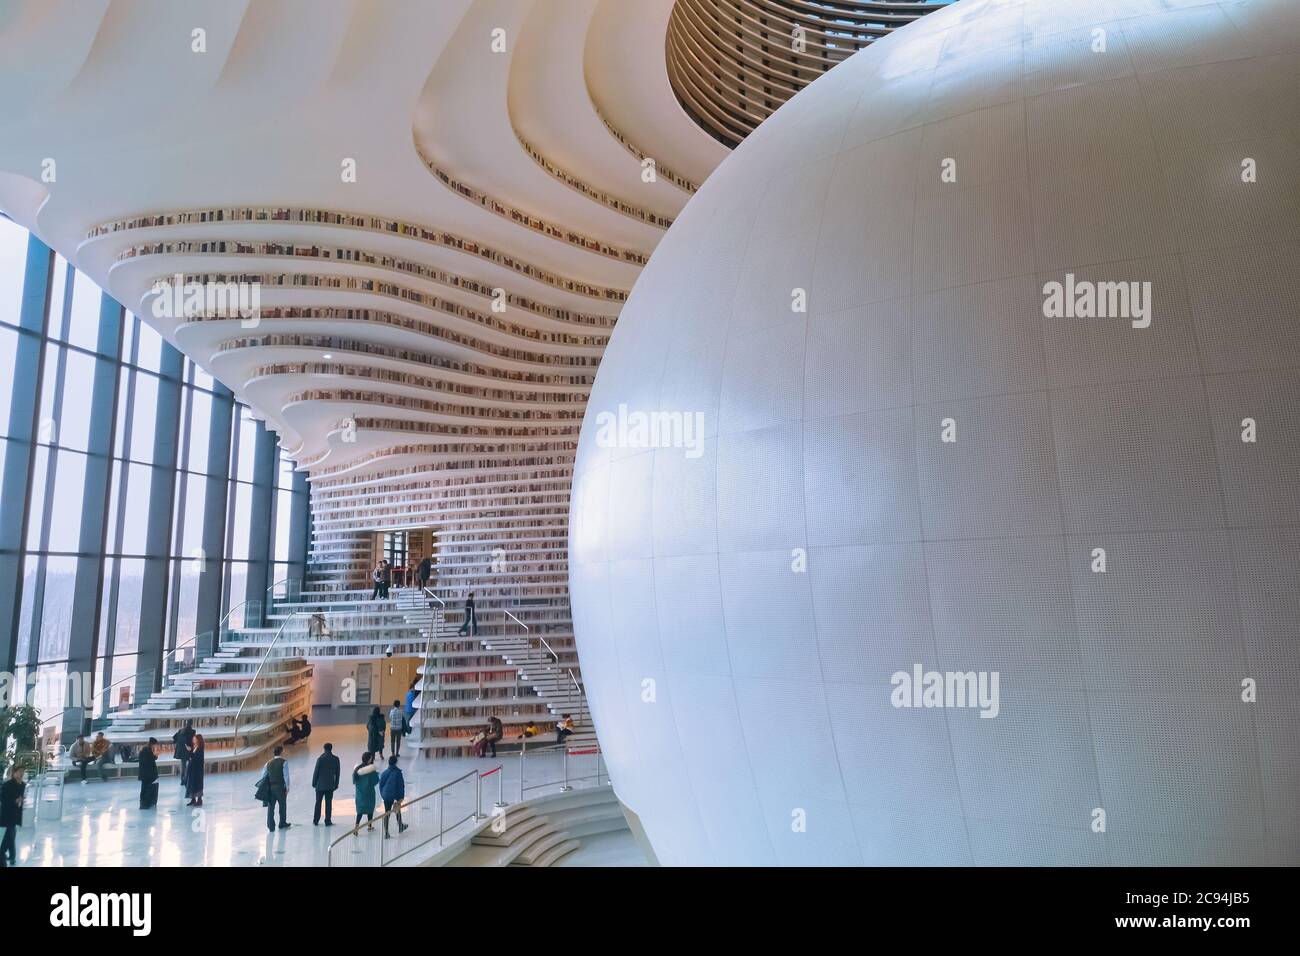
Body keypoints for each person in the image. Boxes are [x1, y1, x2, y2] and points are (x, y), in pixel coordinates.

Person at [259, 745, 291, 832]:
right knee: (282, 806)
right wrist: (287, 788)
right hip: (280, 787)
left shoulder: (268, 763)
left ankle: (271, 826)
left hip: (271, 788)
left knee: (271, 807)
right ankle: (282, 823)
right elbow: (286, 776)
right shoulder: (284, 762)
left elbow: (263, 776)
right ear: (281, 752)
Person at [378, 755, 409, 838]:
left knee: (387, 812)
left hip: (386, 795)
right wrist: (400, 798)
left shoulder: (384, 773)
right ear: (396, 763)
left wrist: (383, 794)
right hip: (395, 795)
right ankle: (400, 826)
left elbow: (381, 784)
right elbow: (401, 786)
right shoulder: (398, 773)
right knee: (397, 810)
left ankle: (386, 832)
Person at [0, 764, 25, 867]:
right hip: (6, 815)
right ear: (14, 773)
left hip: (15, 814)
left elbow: (20, 798)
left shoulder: (22, 784)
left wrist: (20, 801)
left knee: (11, 836)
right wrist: (15, 801)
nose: (21, 774)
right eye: (19, 772)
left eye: (23, 772)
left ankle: (11, 857)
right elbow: (3, 799)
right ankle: (7, 858)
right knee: (9, 837)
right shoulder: (7, 785)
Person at [312, 742, 341, 826]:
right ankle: (328, 821)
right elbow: (337, 773)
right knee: (328, 803)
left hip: (320, 785)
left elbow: (316, 772)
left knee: (318, 803)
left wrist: (314, 783)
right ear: (331, 749)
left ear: (324, 749)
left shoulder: (320, 759)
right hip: (330, 785)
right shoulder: (336, 759)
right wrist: (336, 784)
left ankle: (316, 820)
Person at [352, 751, 380, 832]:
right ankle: (369, 826)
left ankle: (356, 827)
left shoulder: (357, 770)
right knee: (370, 810)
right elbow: (375, 781)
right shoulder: (371, 770)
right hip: (369, 794)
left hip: (359, 794)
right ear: (369, 759)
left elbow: (355, 781)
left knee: (360, 811)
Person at [138, 738, 160, 809]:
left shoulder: (147, 749)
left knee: (145, 788)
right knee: (145, 788)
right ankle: (144, 804)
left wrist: (155, 756)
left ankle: (146, 803)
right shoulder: (146, 750)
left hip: (146, 774)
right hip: (147, 774)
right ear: (152, 744)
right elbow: (148, 761)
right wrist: (155, 756)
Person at [183, 733, 205, 807]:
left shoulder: (200, 748)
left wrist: (189, 751)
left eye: (194, 739)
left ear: (198, 740)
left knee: (198, 784)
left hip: (197, 770)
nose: (193, 740)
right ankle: (193, 799)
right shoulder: (194, 747)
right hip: (192, 768)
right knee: (192, 784)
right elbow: (191, 756)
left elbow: (196, 758)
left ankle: (199, 800)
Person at [172, 721, 195, 787]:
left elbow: (174, 738)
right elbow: (193, 741)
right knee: (190, 765)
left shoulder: (181, 730)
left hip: (181, 751)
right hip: (189, 750)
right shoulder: (193, 732)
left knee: (183, 766)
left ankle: (183, 780)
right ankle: (187, 779)